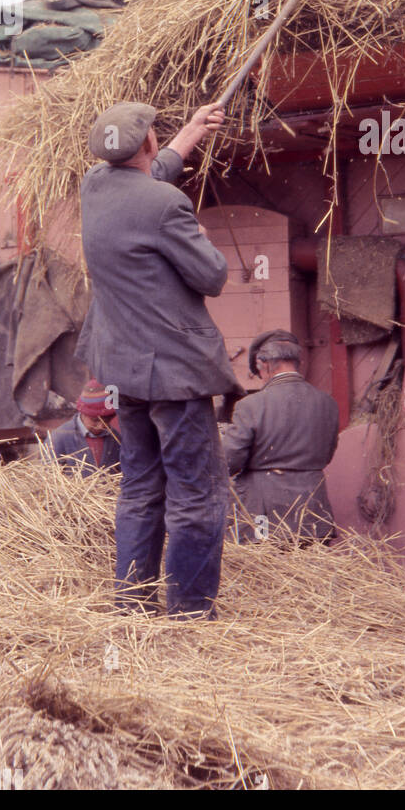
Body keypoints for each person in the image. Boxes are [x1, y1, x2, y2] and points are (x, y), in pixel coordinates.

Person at [76, 100, 239, 619]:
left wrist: (191, 133)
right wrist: (205, 241)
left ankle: (134, 605)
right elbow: (212, 277)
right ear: (146, 144)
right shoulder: (167, 206)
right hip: (174, 373)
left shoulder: (94, 187)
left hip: (124, 372)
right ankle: (190, 613)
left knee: (141, 486)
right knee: (196, 493)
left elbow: (146, 177)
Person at [221, 329, 339, 544]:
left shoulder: (250, 405)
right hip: (313, 510)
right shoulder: (327, 403)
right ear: (297, 361)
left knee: (260, 569)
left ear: (262, 364)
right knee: (309, 572)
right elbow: (328, 454)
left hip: (263, 514)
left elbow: (229, 461)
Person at [43, 378, 121, 474]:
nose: (101, 425)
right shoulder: (59, 438)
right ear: (82, 412)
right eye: (95, 420)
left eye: (107, 420)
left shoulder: (116, 438)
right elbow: (49, 476)